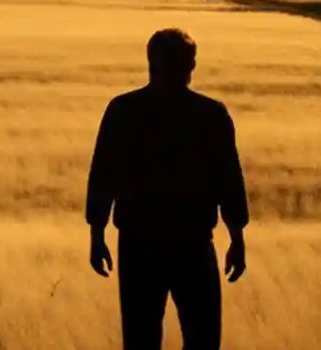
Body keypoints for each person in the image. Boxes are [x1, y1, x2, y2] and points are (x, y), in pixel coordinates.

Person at [85, 28, 249, 350]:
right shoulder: (211, 114)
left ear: (150, 63)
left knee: (141, 339)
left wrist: (97, 234)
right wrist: (237, 238)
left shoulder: (123, 110)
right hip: (191, 243)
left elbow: (104, 175)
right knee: (201, 340)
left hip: (141, 245)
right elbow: (228, 180)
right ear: (192, 66)